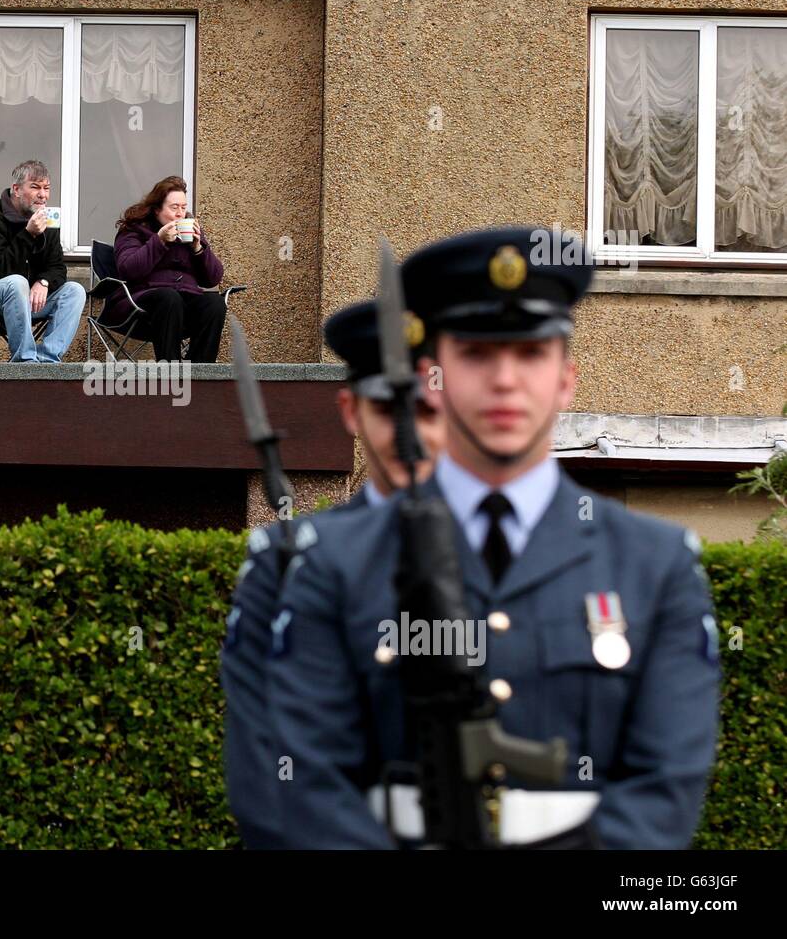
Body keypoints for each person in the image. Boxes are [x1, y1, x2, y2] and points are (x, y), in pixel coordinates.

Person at [266, 226, 720, 849]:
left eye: (531, 354)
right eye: (477, 353)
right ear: (434, 376)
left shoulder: (655, 564)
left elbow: (664, 791)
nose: (505, 380)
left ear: (566, 378)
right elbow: (303, 787)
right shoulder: (337, 561)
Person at [220, 298, 445, 849]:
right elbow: (264, 773)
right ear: (351, 412)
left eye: (425, 412)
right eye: (385, 410)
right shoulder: (284, 562)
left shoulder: (514, 554)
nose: (405, 435)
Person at [0, 159, 85, 362]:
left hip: (21, 303)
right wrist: (28, 235)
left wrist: (44, 282)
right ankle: (25, 362)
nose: (43, 194)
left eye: (46, 188)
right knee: (16, 282)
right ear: (16, 189)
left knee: (74, 291)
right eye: (35, 187)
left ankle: (48, 359)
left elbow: (57, 267)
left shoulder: (46, 220)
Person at [112, 176, 226, 362]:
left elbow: (213, 278)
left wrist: (198, 249)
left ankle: (200, 373)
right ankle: (170, 370)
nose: (180, 214)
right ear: (157, 209)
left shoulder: (190, 233)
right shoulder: (134, 230)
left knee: (215, 303)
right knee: (169, 297)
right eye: (174, 208)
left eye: (183, 207)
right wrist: (159, 240)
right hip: (143, 302)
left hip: (185, 302)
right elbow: (127, 269)